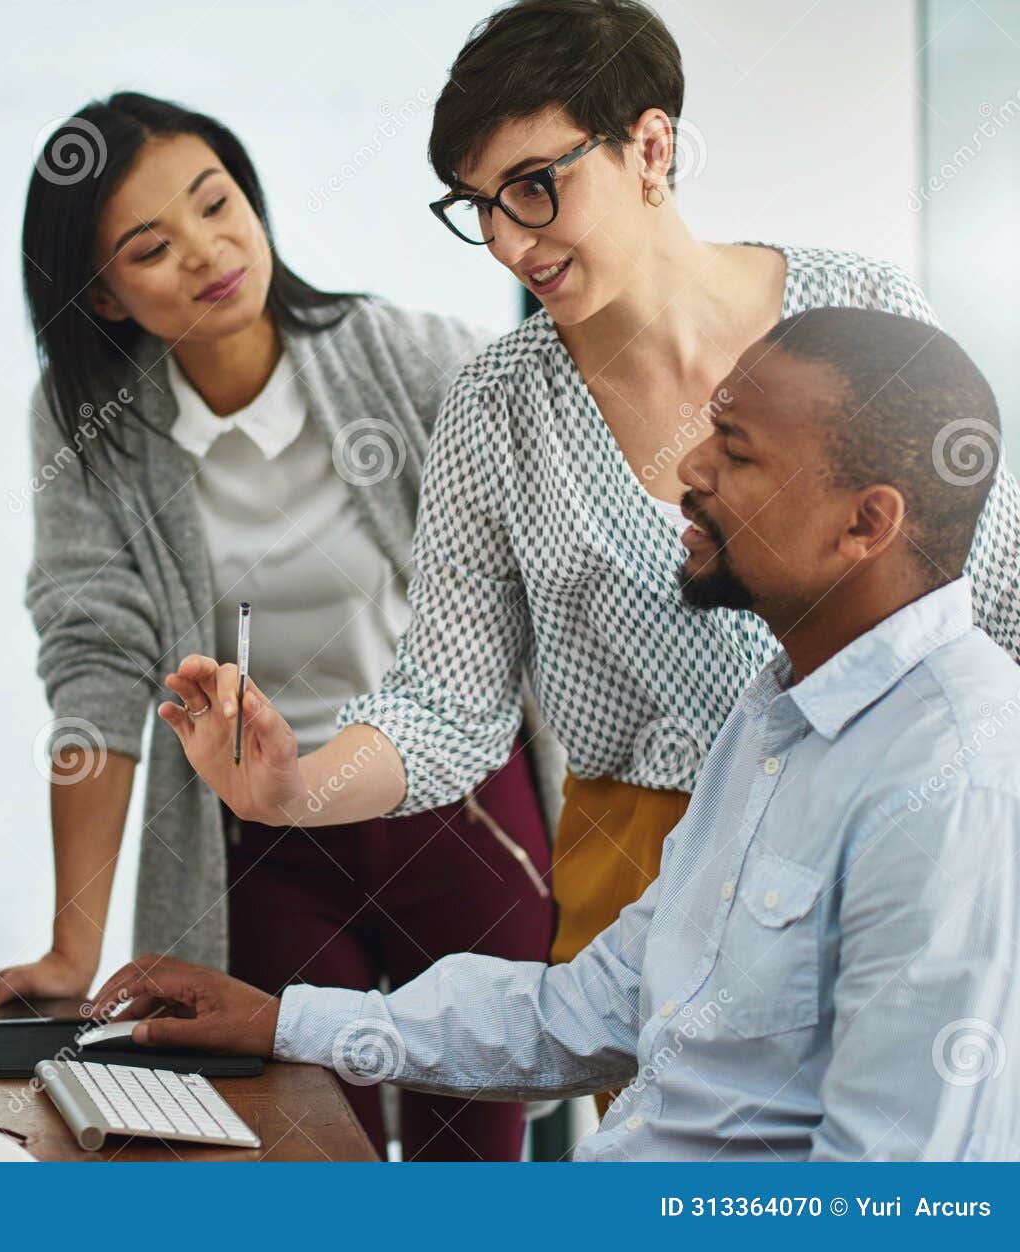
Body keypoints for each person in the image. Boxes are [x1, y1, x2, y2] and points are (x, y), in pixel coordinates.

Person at [153, 0, 1020, 1029]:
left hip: (888, 826)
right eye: (476, 206)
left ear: (650, 146)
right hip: (643, 871)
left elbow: (991, 600)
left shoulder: (859, 316)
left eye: (533, 187)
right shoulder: (496, 405)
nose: (508, 242)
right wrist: (289, 789)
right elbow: (446, 707)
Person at [90, 309, 1020, 1161]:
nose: (688, 471)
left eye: (733, 453)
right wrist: (283, 1022)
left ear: (867, 524)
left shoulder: (954, 777)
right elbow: (597, 1004)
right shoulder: (776, 708)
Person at [0, 93, 559, 1160]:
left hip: (459, 816)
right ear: (103, 298)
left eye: (216, 204)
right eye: (150, 247)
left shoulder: (416, 361)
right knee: (302, 1152)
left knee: (476, 1165)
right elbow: (96, 659)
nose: (206, 252)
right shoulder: (89, 423)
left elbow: (564, 555)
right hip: (267, 839)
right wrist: (69, 941)